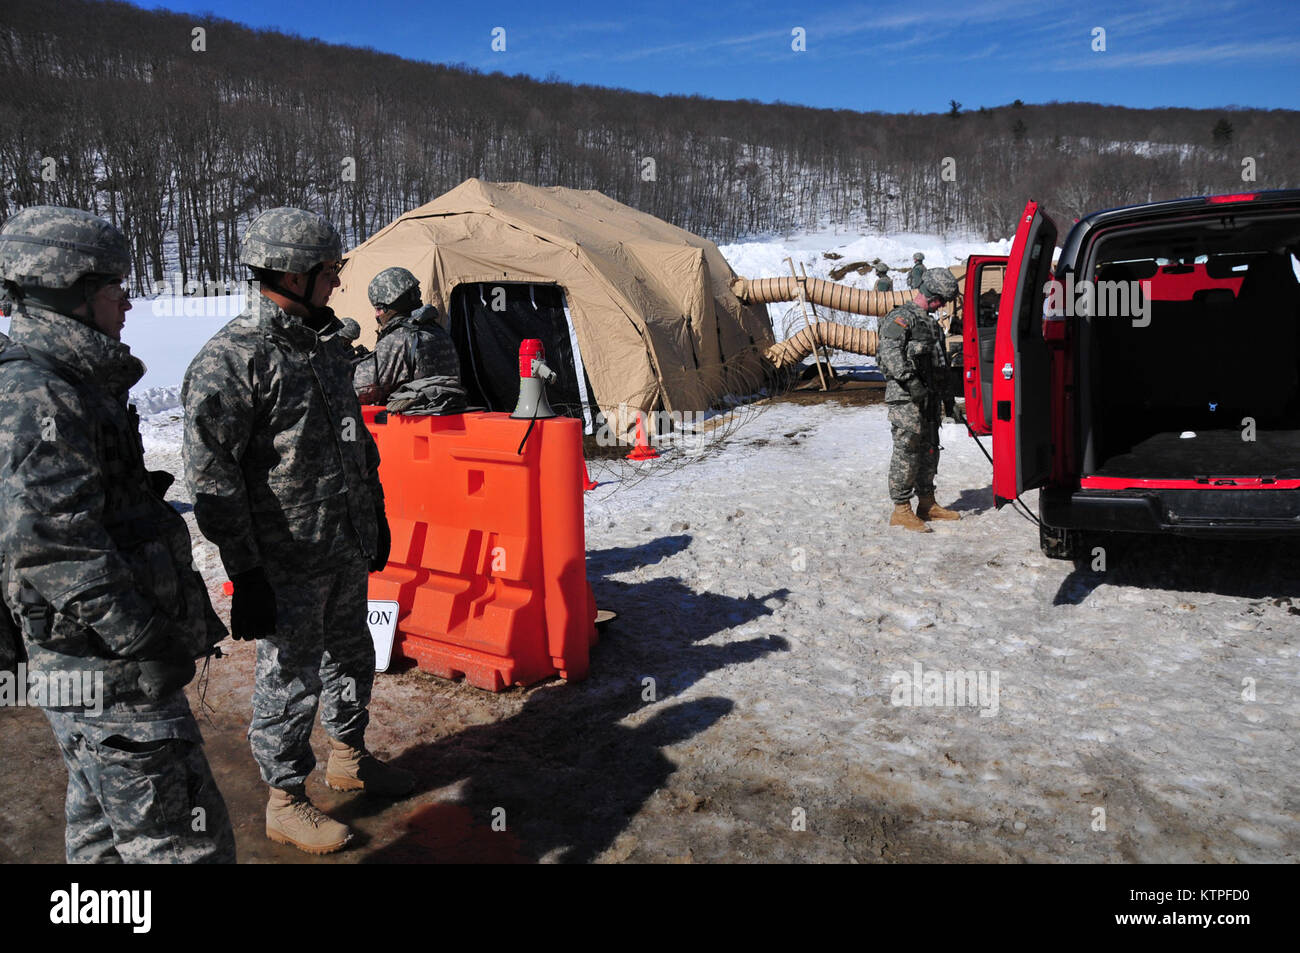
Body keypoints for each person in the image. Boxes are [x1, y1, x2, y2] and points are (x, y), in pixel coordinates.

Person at [0, 206, 234, 863]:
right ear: (67, 294)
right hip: (110, 671)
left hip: (91, 669)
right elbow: (50, 542)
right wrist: (142, 638)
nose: (127, 303)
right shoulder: (41, 393)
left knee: (103, 832)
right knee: (181, 844)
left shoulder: (72, 381)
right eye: (114, 289)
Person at [182, 207, 414, 856]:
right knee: (291, 678)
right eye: (331, 271)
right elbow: (211, 475)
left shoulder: (328, 348)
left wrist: (375, 512)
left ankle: (349, 759)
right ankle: (285, 799)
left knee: (353, 656)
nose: (339, 282)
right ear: (294, 273)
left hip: (343, 543)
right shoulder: (234, 359)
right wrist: (246, 570)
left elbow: (356, 444)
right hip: (285, 562)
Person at [877, 267, 963, 532]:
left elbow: (940, 364)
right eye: (942, 299)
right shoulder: (902, 318)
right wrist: (911, 382)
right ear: (933, 294)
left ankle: (927, 503)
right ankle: (901, 509)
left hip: (928, 400)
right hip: (905, 399)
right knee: (907, 451)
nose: (943, 305)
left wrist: (948, 399)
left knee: (929, 450)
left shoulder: (931, 324)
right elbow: (889, 353)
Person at [354, 266, 461, 406]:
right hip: (443, 416)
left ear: (394, 304)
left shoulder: (397, 339)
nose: (376, 315)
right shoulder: (437, 331)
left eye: (379, 308)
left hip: (409, 423)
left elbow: (362, 390)